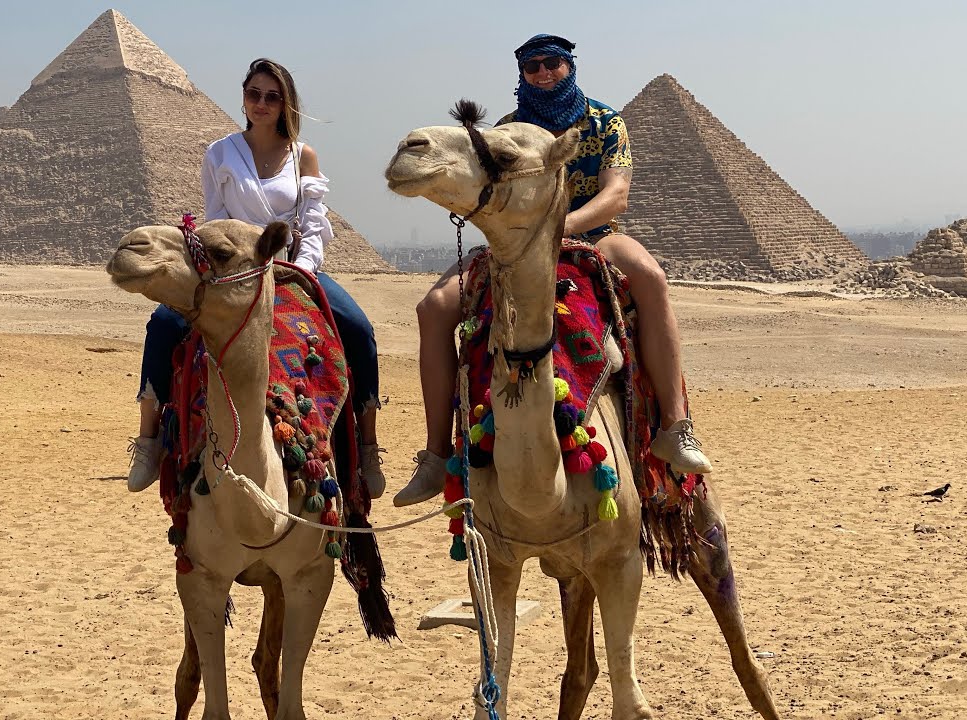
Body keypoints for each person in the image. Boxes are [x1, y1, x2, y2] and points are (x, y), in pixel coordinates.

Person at [394, 34, 712, 507]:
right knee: (434, 307)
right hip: (515, 244)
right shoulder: (504, 133)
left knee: (650, 278)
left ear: (569, 66)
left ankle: (674, 426)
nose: (543, 73)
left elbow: (616, 196)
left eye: (552, 64)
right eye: (532, 66)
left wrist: (559, 228)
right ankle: (437, 454)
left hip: (595, 234)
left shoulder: (605, 122)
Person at [127, 58, 385, 497]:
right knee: (164, 325)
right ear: (243, 97)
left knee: (358, 330)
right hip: (235, 272)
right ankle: (148, 439)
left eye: (272, 96)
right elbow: (215, 222)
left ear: (286, 103)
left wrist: (302, 270)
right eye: (254, 94)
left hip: (293, 267)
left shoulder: (303, 154)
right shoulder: (220, 153)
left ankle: (367, 444)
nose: (261, 104)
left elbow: (314, 219)